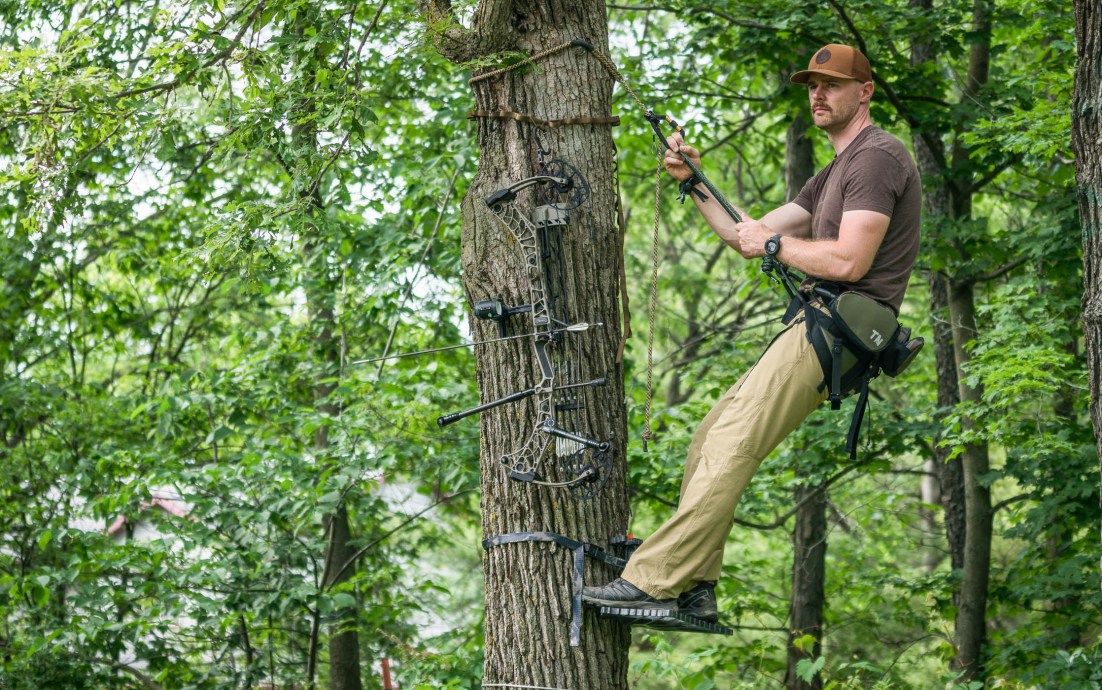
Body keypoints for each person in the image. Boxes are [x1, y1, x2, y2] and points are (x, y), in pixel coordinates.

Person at [582, 44, 922, 621]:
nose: (818, 93)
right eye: (812, 85)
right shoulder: (835, 171)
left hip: (839, 329)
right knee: (710, 436)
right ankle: (695, 586)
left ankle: (654, 581)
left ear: (863, 92)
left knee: (730, 443)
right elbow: (751, 233)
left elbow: (848, 262)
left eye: (833, 84)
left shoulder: (878, 157)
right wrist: (692, 182)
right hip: (816, 325)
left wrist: (773, 245)